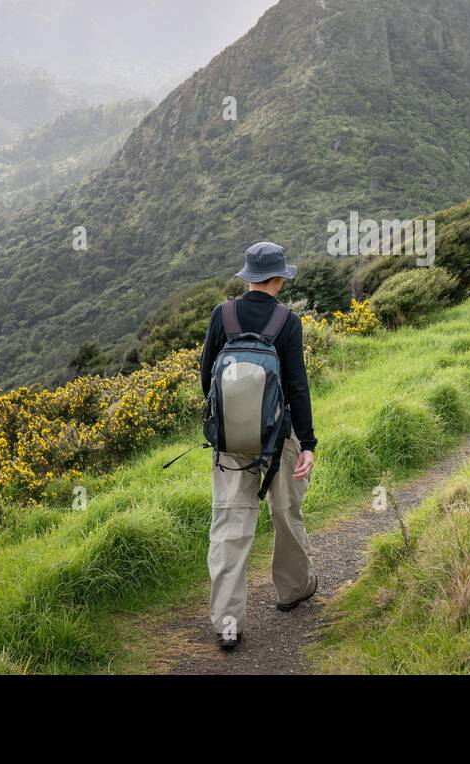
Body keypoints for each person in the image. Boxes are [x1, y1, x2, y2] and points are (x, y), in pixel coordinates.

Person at [200, 241, 318, 651]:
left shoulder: (223, 314)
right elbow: (297, 388)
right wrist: (307, 443)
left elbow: (206, 377)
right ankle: (292, 590)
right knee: (285, 513)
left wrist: (229, 421)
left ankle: (228, 623)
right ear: (280, 277)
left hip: (231, 442)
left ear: (248, 276)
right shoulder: (287, 321)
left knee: (231, 526)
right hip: (278, 436)